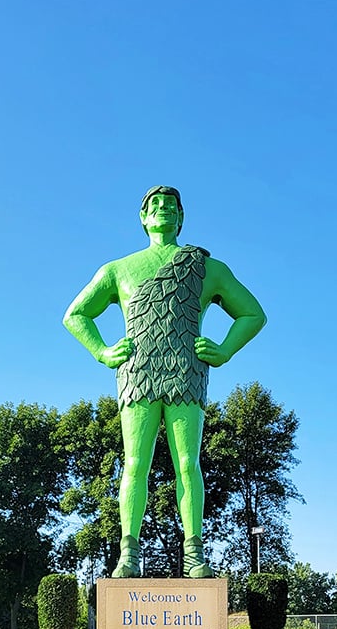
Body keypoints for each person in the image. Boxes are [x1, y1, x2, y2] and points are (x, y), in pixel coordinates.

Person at [63, 186, 266, 578]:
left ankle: (194, 553)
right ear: (142, 217)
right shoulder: (118, 269)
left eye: (170, 206)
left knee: (188, 463)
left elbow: (252, 314)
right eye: (154, 205)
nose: (162, 209)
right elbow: (75, 315)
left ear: (181, 217)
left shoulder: (207, 268)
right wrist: (103, 352)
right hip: (137, 373)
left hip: (186, 372)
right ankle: (129, 553)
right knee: (135, 463)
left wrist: (224, 350)